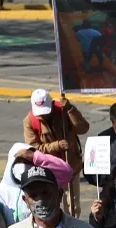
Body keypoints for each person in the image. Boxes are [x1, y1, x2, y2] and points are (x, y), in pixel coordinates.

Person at [23, 89, 90, 218]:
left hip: (70, 165)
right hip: (48, 170)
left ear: (52, 104)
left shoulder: (64, 111)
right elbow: (34, 148)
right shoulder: (30, 121)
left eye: (46, 112)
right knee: (50, 202)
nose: (43, 116)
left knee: (73, 205)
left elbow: (83, 128)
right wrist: (57, 146)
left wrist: (71, 109)